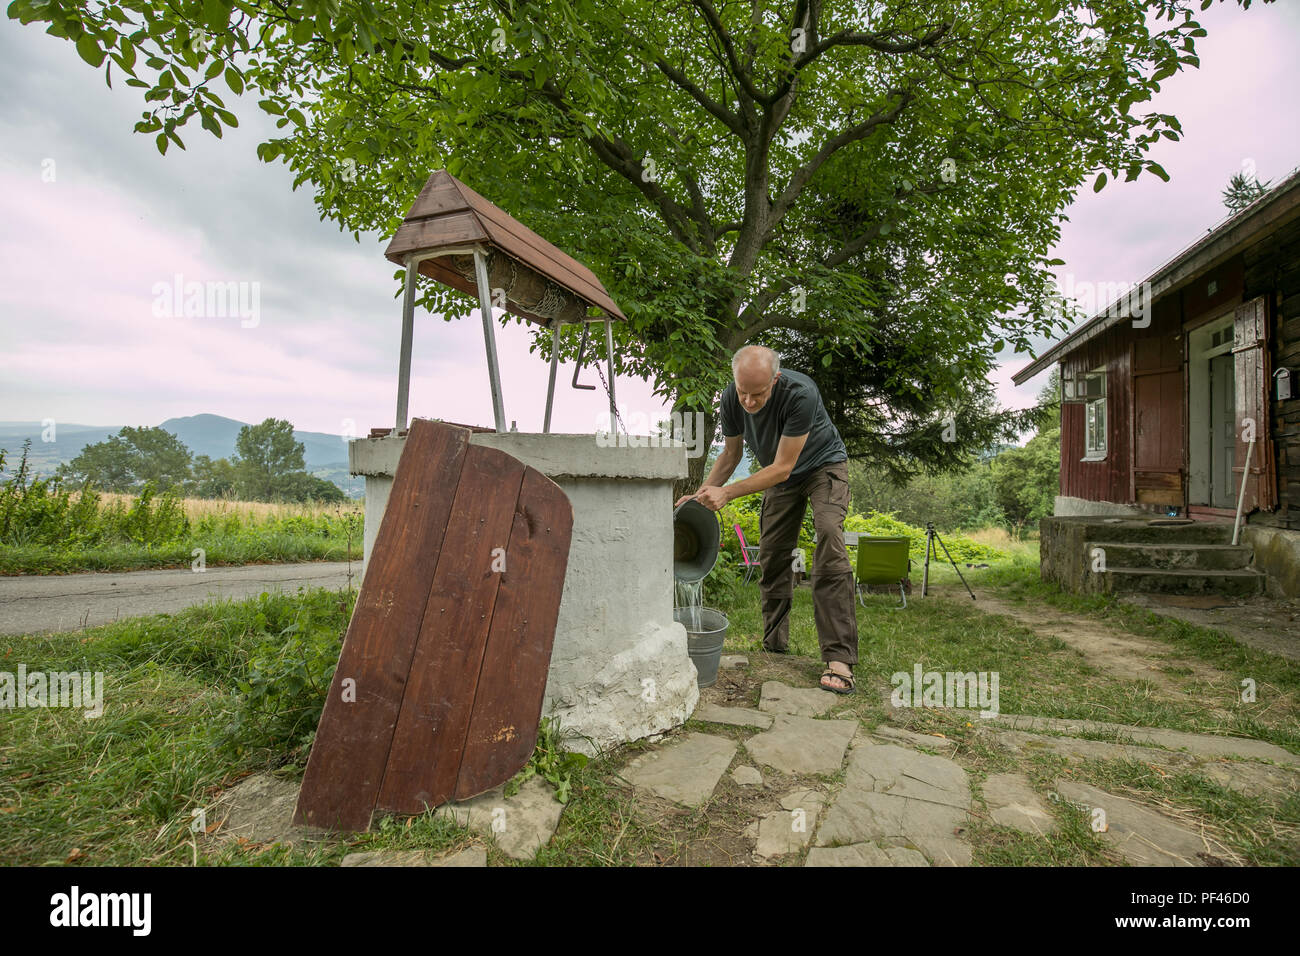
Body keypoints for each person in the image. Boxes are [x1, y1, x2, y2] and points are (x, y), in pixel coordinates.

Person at [675, 345, 858, 694]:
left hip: (823, 466)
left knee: (829, 534)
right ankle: (775, 643)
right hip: (780, 477)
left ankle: (839, 658)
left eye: (757, 394)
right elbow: (731, 454)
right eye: (742, 391)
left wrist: (727, 494)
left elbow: (782, 467)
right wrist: (703, 494)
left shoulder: (799, 394)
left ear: (775, 379)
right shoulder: (732, 396)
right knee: (773, 553)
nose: (747, 402)